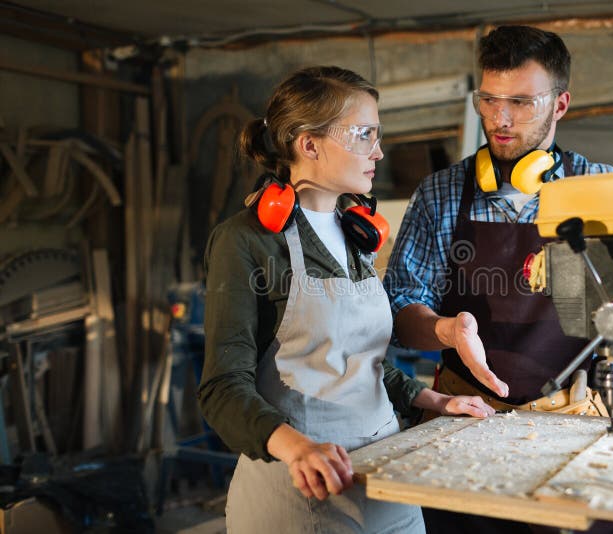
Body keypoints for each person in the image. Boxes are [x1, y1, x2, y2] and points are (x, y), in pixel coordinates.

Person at [385, 26, 613, 533]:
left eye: (522, 103)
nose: (500, 119)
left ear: (561, 104)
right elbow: (401, 311)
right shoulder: (440, 194)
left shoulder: (601, 190)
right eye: (489, 100)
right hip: (462, 422)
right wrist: (445, 331)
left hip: (573, 423)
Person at [198, 65, 495, 534]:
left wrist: (430, 399)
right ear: (308, 144)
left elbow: (358, 361)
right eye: (363, 134)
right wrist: (298, 448)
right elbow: (222, 390)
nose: (377, 151)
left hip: (385, 476)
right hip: (303, 488)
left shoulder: (355, 232)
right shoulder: (247, 241)